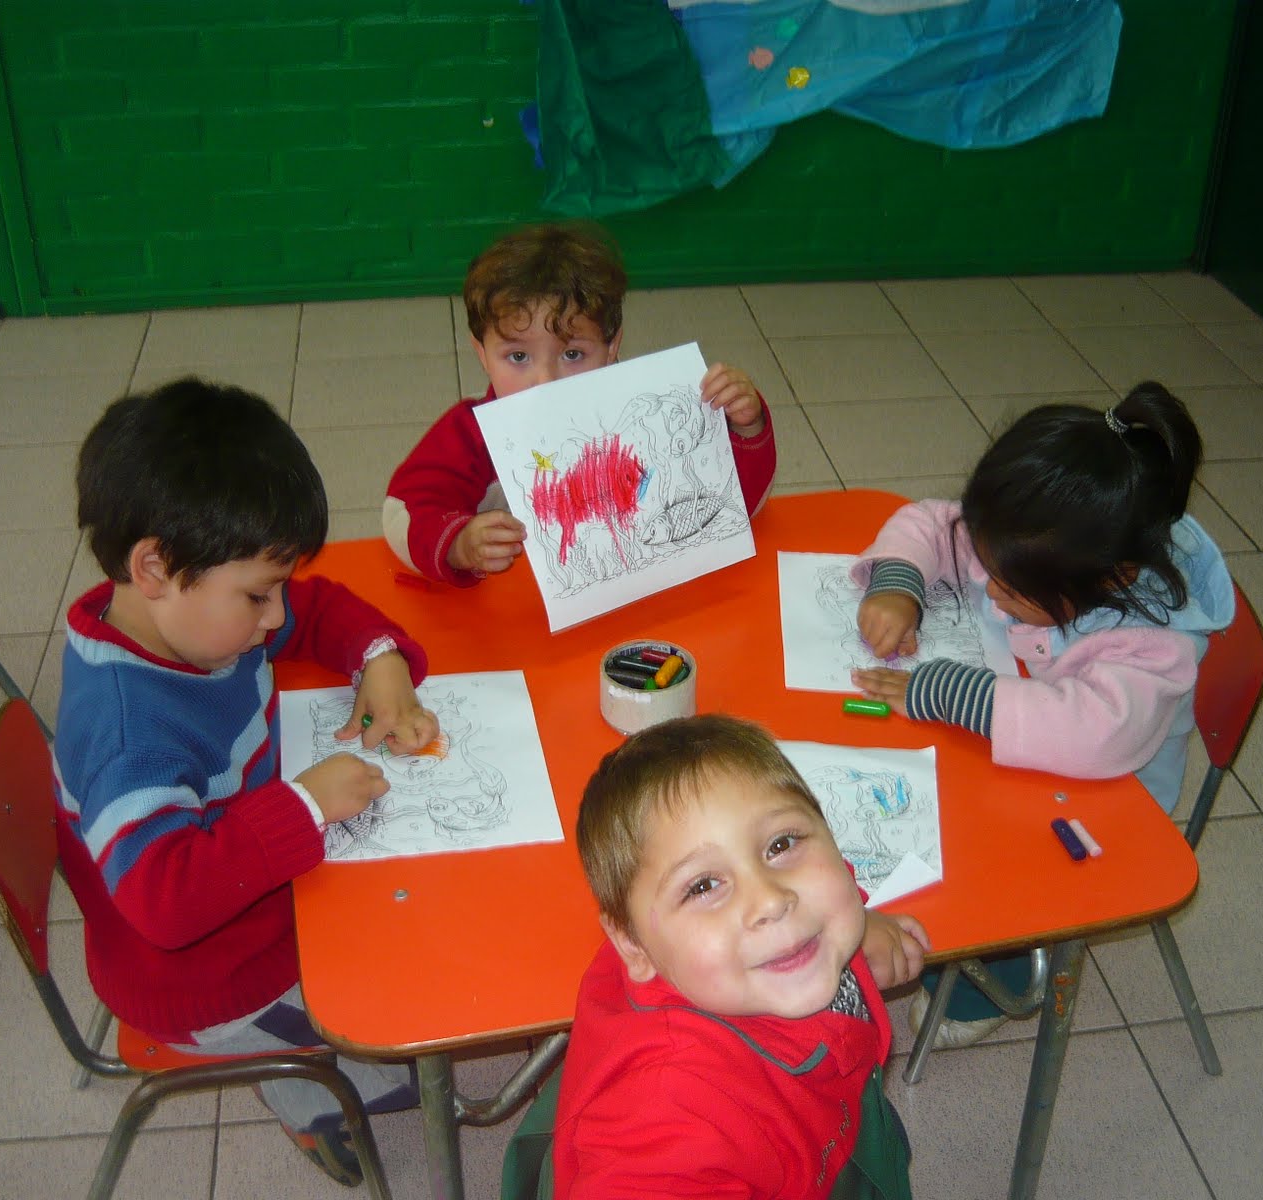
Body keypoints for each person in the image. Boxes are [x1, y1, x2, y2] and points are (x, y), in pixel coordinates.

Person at [54, 378, 441, 1185]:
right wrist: (303, 803)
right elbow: (166, 901)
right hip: (204, 975)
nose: (275, 619)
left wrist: (381, 661)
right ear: (153, 566)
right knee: (398, 1051)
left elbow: (317, 607)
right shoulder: (131, 734)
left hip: (254, 896)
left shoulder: (193, 616)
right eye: (258, 596)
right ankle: (305, 1099)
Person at [849, 381, 1234, 1050]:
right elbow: (932, 525)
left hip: (1105, 805)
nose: (990, 589)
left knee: (986, 851)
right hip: (1029, 737)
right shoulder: (1052, 546)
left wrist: (944, 689)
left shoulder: (1153, 643)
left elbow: (1090, 732)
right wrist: (899, 583)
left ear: (1112, 580)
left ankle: (1001, 973)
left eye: (1012, 589)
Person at [503, 714, 928, 1200]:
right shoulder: (674, 1116)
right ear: (633, 947)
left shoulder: (757, 943)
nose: (771, 900)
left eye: (779, 845)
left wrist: (851, 924)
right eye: (704, 885)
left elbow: (824, 882)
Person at [383, 223, 778, 584]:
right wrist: (458, 544)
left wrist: (746, 428)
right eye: (518, 357)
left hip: (653, 603)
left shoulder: (651, 419)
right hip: (521, 625)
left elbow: (739, 509)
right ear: (482, 353)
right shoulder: (469, 436)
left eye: (572, 355)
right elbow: (402, 511)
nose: (544, 382)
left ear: (611, 347)